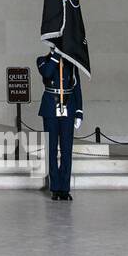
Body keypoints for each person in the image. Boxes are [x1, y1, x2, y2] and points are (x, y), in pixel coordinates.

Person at [37, 46, 83, 200]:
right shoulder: (42, 61)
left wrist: (79, 112)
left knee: (66, 149)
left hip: (68, 107)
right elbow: (47, 72)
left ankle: (65, 188)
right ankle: (55, 187)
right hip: (51, 107)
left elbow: (76, 87)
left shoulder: (71, 63)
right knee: (51, 149)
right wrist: (56, 55)